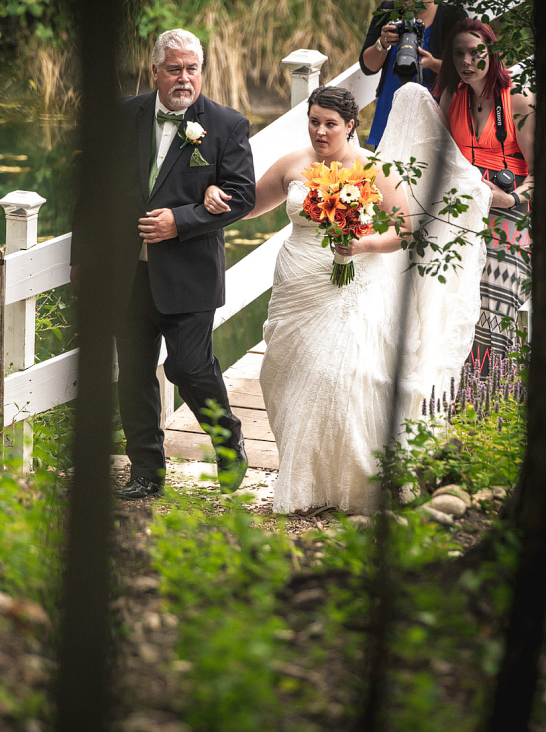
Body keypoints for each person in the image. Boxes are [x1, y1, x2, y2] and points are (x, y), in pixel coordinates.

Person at [203, 86, 411, 516]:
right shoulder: (294, 164)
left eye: (330, 124)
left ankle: (353, 484)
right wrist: (211, 195)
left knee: (337, 376)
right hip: (296, 284)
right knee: (285, 375)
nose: (320, 131)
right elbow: (246, 204)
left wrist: (365, 245)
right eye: (314, 121)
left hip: (353, 284)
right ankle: (303, 482)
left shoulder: (374, 168)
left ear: (351, 125)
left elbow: (405, 231)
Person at [71, 28, 256, 499]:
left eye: (192, 69)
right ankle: (147, 473)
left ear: (201, 71)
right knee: (134, 374)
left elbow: (241, 196)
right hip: (125, 275)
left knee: (189, 367)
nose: (183, 78)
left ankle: (227, 440)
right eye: (173, 69)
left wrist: (182, 220)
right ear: (155, 71)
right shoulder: (121, 116)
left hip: (189, 272)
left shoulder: (225, 125)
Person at [436, 18, 535, 364]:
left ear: (492, 55)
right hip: (466, 209)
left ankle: (489, 383)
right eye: (459, 53)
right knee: (451, 292)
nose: (467, 62)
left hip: (516, 210)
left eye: (476, 53)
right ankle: (456, 384)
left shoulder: (518, 100)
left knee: (493, 297)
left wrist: (512, 197)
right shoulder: (451, 97)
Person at [358, 0, 466, 146]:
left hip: (434, 121)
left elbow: (468, 70)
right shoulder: (388, 10)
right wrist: (382, 43)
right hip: (390, 117)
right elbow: (368, 66)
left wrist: (433, 64)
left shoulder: (452, 15)